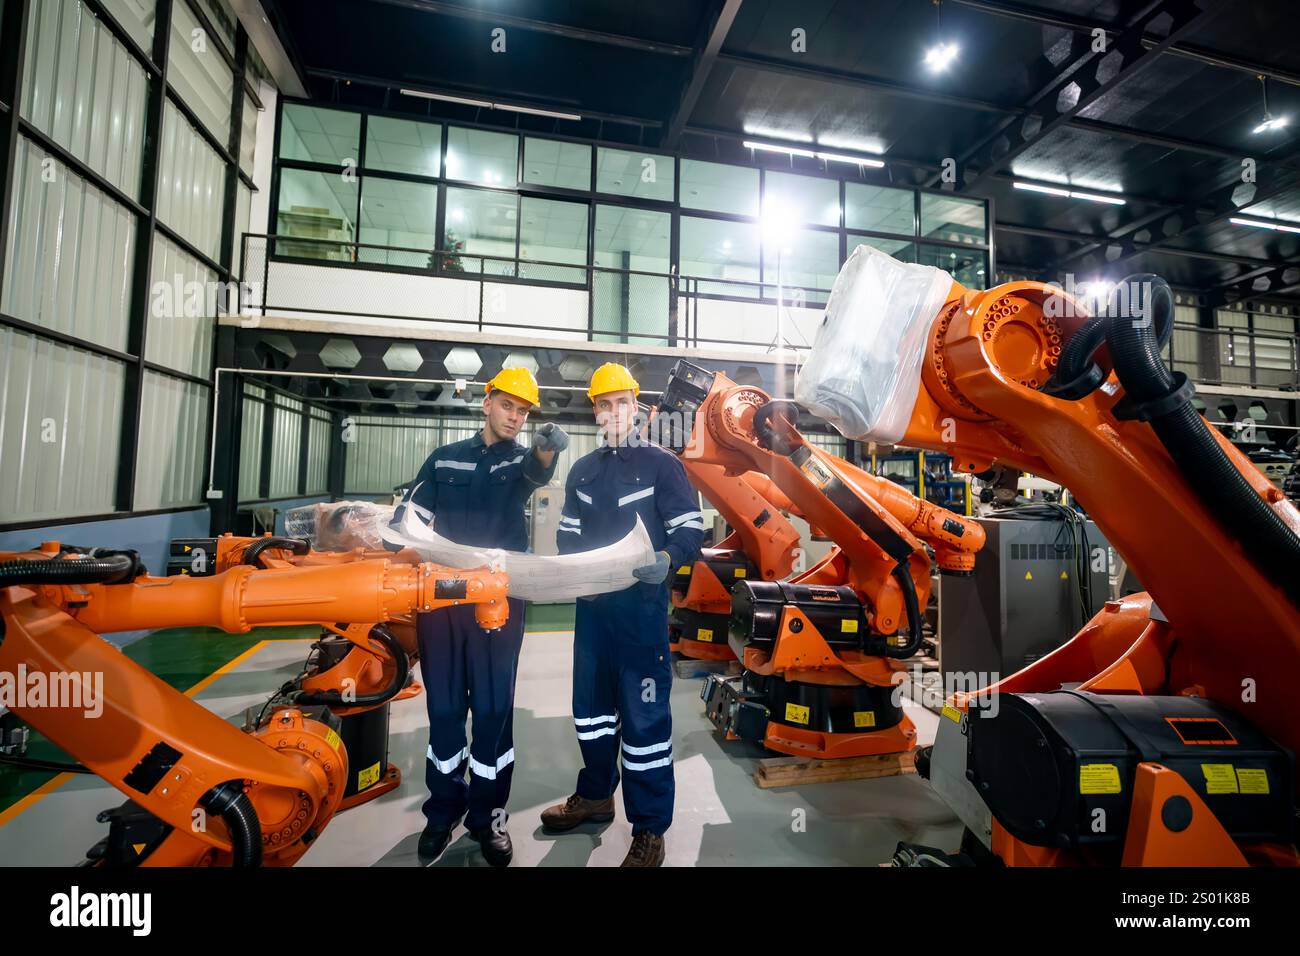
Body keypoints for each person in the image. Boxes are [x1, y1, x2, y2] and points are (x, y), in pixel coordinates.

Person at [393, 367, 568, 866]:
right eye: (509, 406)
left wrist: (547, 449)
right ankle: (440, 813)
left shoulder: (520, 463)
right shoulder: (444, 457)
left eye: (524, 411)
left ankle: (488, 818)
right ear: (487, 402)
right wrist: (385, 538)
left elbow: (538, 473)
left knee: (492, 714)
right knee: (445, 712)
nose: (516, 417)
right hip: (441, 605)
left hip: (497, 605)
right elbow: (413, 515)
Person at [540, 363, 705, 867]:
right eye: (604, 404)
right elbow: (567, 534)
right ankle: (594, 796)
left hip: (640, 618)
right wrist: (573, 568)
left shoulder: (661, 465)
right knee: (591, 715)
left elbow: (690, 528)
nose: (613, 411)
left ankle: (650, 828)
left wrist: (668, 560)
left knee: (644, 721)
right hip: (593, 616)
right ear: (595, 411)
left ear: (637, 407)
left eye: (621, 403)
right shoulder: (583, 471)